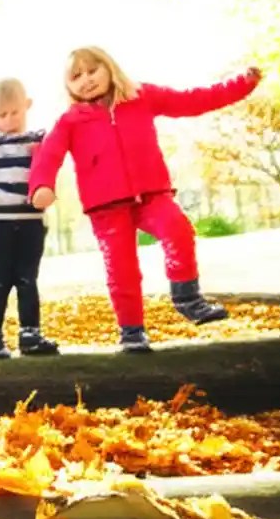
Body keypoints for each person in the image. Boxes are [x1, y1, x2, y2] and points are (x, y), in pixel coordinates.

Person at [29, 46, 261, 353]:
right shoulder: (70, 121)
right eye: (76, 76)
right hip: (106, 207)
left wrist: (241, 85)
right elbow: (48, 156)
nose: (86, 80)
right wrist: (41, 186)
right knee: (121, 269)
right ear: (68, 86)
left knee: (178, 229)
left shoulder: (142, 97)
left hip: (152, 194)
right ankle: (132, 331)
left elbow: (193, 100)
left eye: (92, 70)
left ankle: (188, 298)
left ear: (110, 68)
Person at [0, 78, 60, 359]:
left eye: (14, 112)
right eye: (1, 114)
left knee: (27, 279)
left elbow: (52, 160)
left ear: (27, 106)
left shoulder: (37, 140)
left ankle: (30, 334)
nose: (8, 120)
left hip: (30, 221)